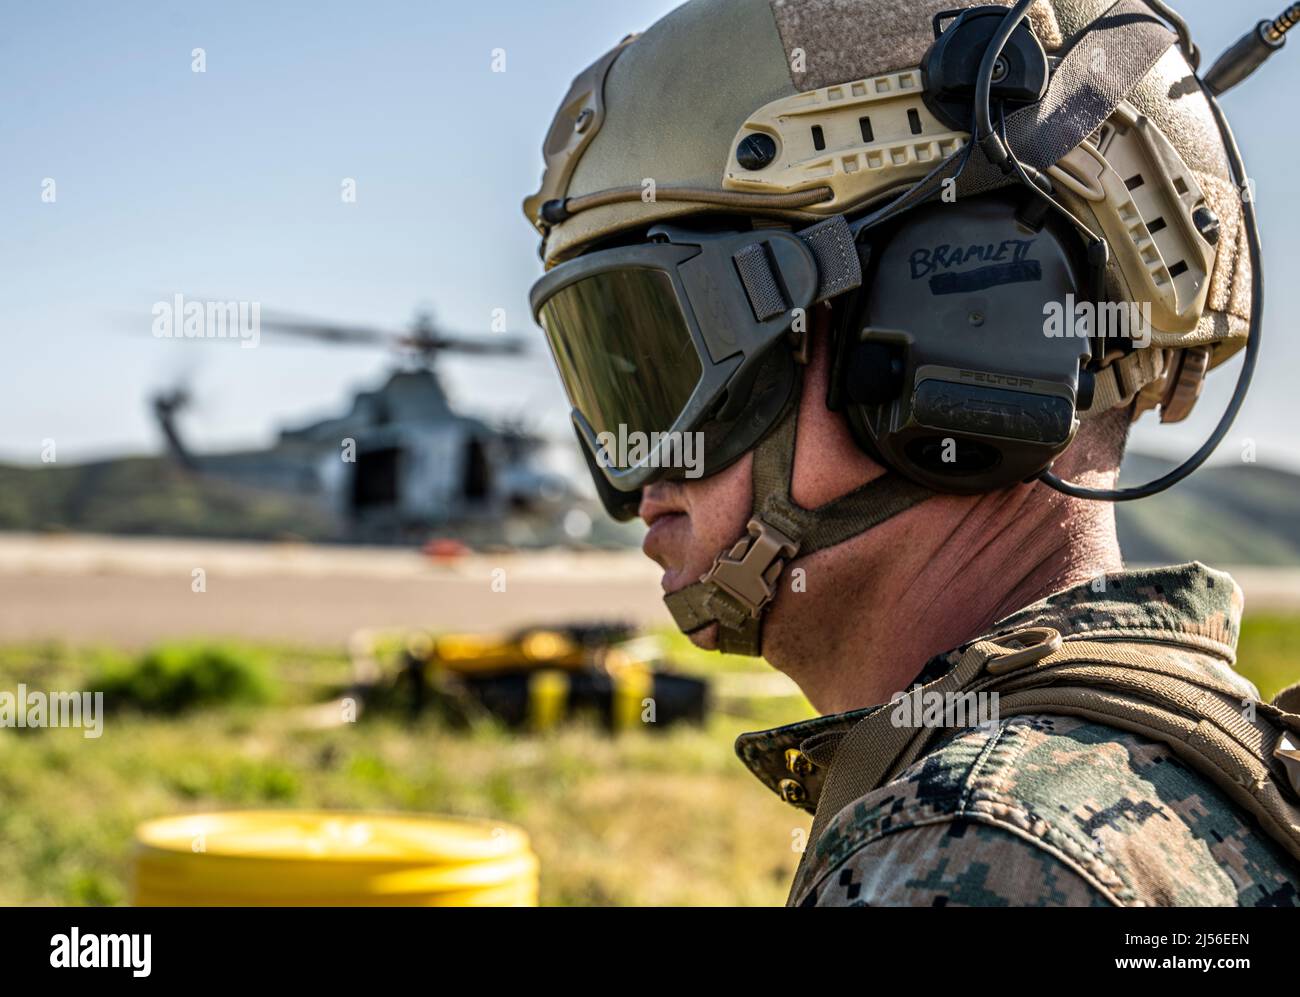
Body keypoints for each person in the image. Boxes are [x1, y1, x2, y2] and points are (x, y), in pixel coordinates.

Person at [523, 0, 1300, 905]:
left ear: (964, 332)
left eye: (668, 369)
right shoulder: (1213, 767)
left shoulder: (982, 851)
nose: (639, 481)